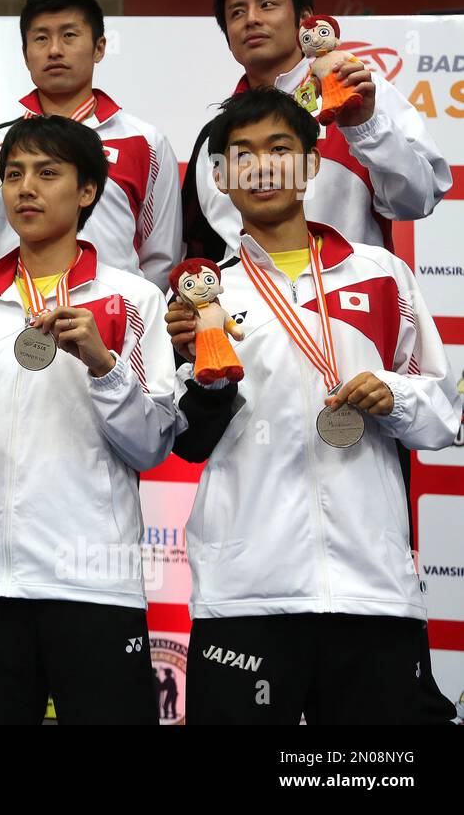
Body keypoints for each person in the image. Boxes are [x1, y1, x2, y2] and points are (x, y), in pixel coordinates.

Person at [166, 88, 461, 724]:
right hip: (247, 593)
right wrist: (205, 379)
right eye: (242, 155)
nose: (263, 166)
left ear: (311, 165)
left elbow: (443, 413)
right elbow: (181, 439)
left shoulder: (380, 272)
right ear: (219, 178)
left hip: (372, 589)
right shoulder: (202, 298)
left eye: (281, 150)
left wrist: (396, 395)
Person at [0, 115, 176, 724]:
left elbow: (152, 446)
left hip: (92, 587)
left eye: (47, 173)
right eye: (13, 174)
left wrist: (102, 363)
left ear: (88, 190)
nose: (25, 189)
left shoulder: (135, 299)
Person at [182, 0, 449, 262]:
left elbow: (418, 200)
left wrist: (366, 128)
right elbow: (201, 246)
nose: (252, 19)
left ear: (305, 19)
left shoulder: (361, 92)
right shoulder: (215, 135)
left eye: (267, 5)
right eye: (237, 13)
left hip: (352, 300)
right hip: (257, 304)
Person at [0, 0, 182, 290]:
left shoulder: (146, 141)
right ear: (26, 55)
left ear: (99, 47)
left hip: (112, 322)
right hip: (13, 318)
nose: (54, 50)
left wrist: (133, 315)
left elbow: (163, 258)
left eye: (69, 35)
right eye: (41, 38)